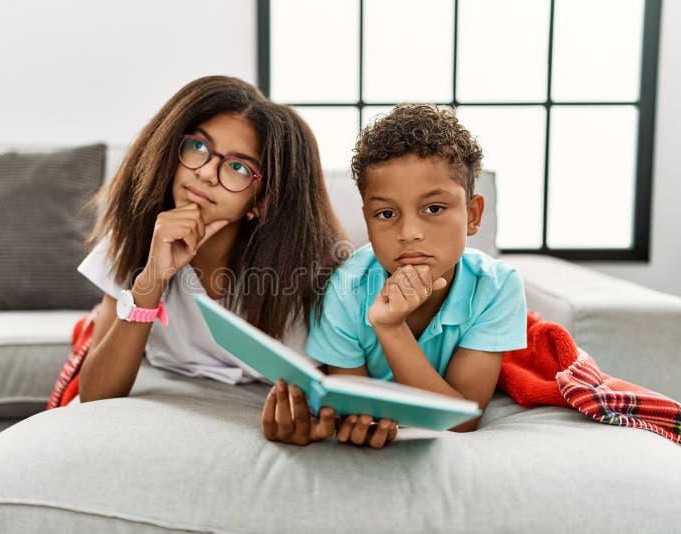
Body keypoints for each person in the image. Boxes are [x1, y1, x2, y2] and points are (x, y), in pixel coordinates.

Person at [76, 76, 344, 423]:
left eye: (237, 167)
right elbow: (95, 396)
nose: (204, 173)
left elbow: (334, 396)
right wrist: (151, 280)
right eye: (198, 148)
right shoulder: (137, 235)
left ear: (261, 201)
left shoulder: (309, 274)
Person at [264, 104, 527, 447]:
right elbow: (351, 403)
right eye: (386, 213)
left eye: (434, 208)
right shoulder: (346, 288)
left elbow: (461, 422)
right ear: (368, 219)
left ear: (473, 215)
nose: (409, 233)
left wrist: (390, 328)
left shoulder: (497, 286)